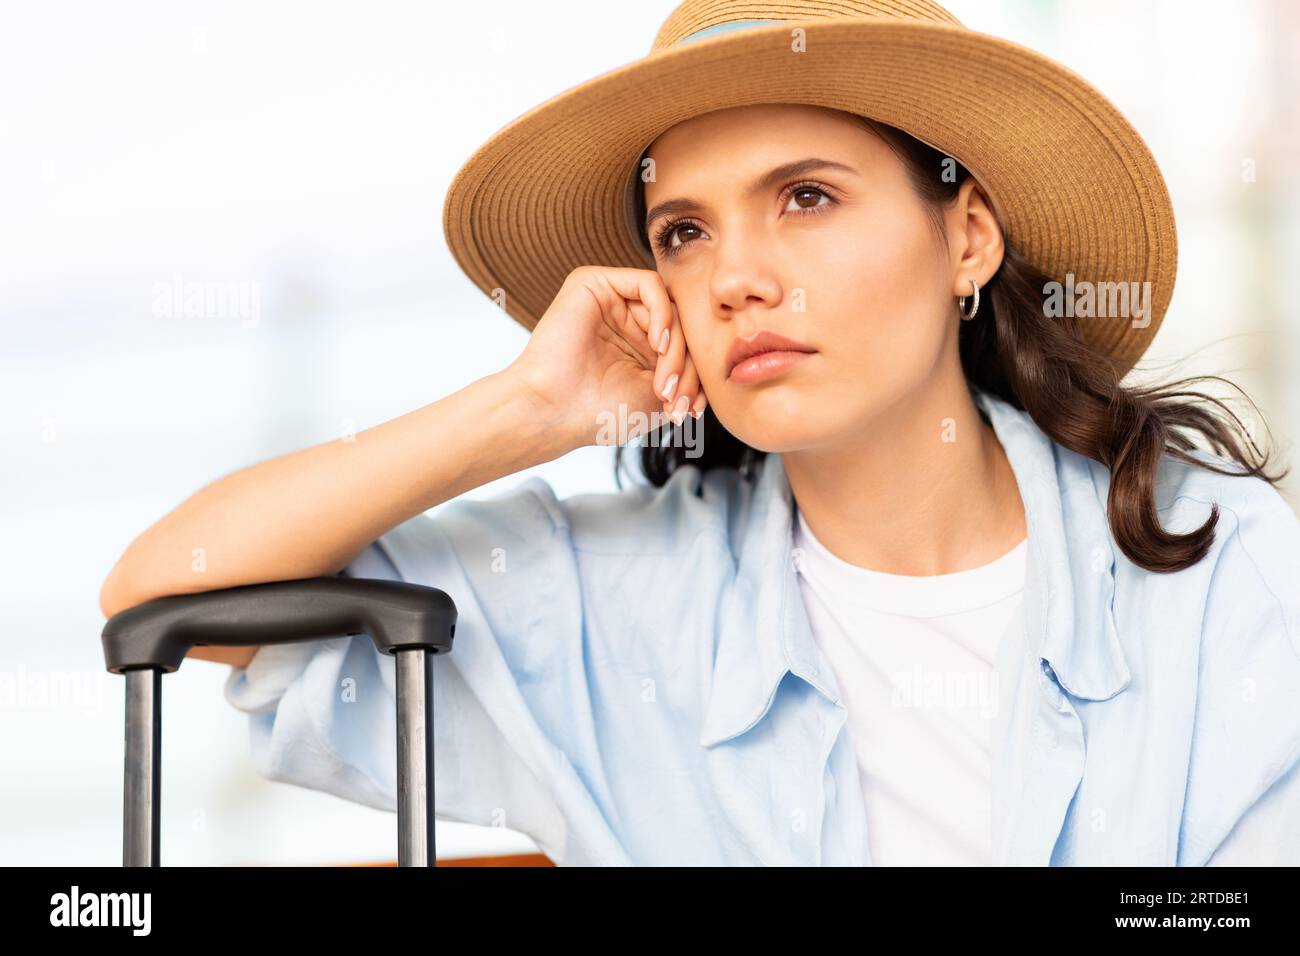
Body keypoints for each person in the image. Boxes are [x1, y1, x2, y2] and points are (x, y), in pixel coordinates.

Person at [99, 0, 1300, 866]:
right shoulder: (603, 597)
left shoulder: (1218, 563)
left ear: (968, 236)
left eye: (806, 198)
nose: (734, 279)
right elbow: (161, 591)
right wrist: (524, 411)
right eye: (683, 233)